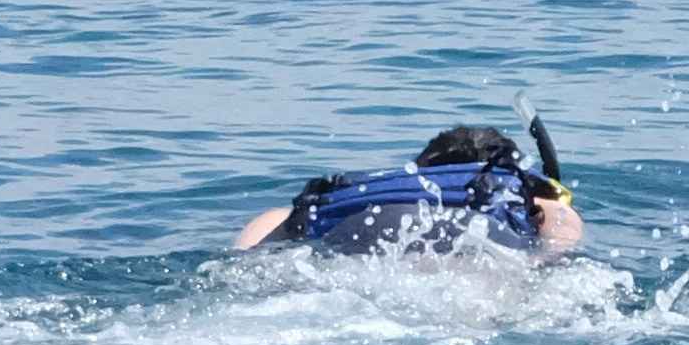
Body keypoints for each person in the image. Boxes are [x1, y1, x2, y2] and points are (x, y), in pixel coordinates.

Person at [235, 119, 585, 261]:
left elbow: (243, 257)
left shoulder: (342, 203)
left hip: (358, 237)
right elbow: (557, 249)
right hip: (473, 253)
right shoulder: (532, 205)